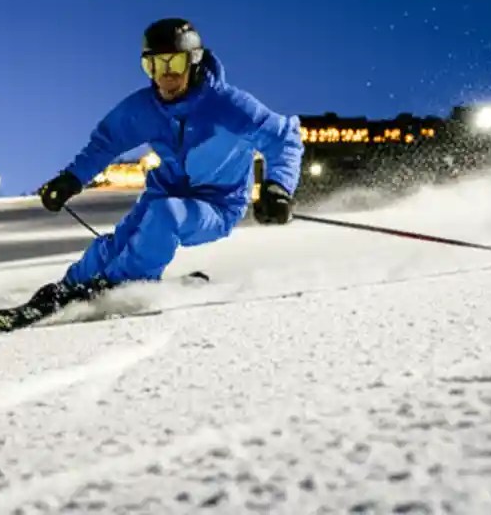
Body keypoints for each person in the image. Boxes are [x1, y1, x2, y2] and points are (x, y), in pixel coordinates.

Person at [25, 17, 304, 317]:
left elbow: (284, 138)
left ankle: (121, 286)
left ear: (193, 62)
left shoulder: (227, 105)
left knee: (165, 215)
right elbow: (105, 143)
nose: (165, 77)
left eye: (174, 64)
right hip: (164, 192)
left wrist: (278, 188)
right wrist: (71, 179)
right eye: (155, 66)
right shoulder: (146, 107)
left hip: (217, 205)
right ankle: (70, 287)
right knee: (124, 239)